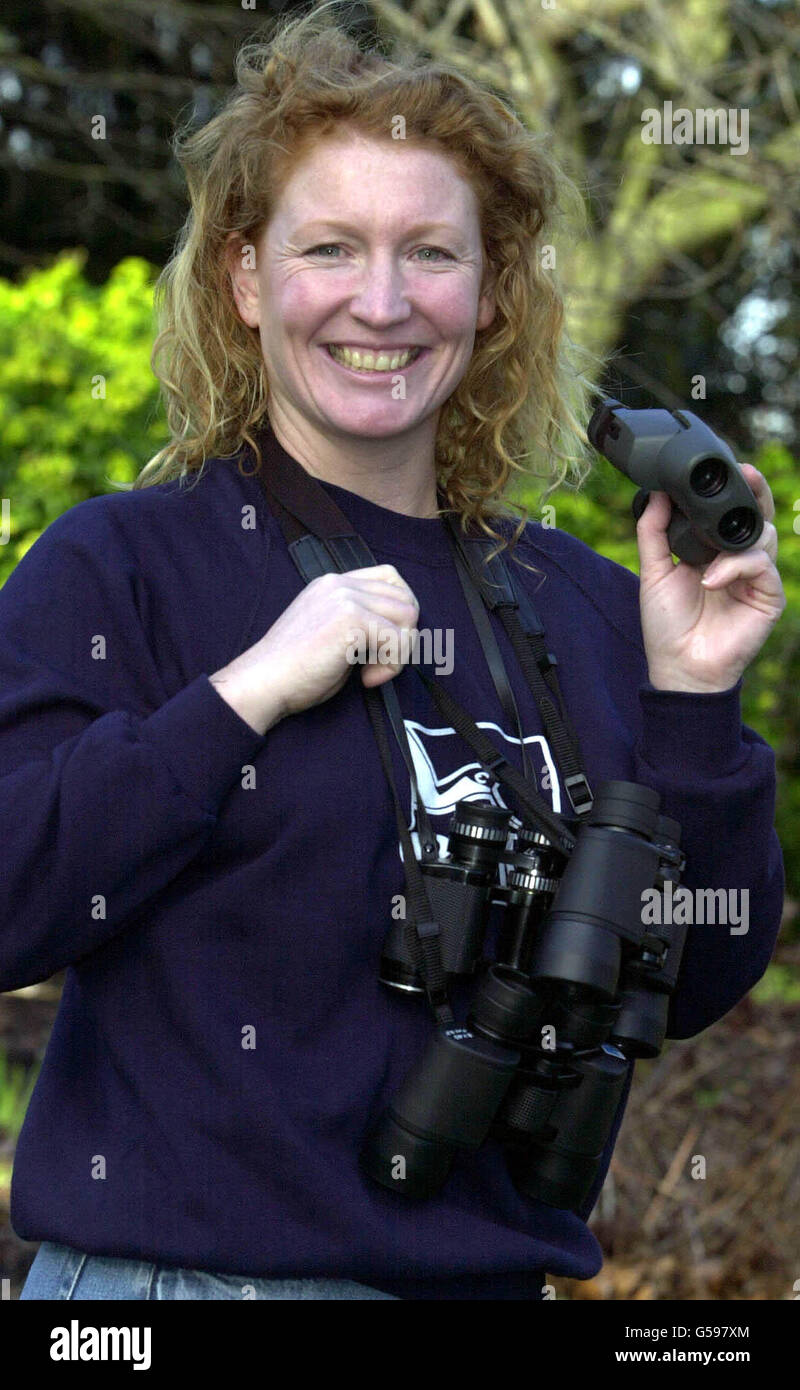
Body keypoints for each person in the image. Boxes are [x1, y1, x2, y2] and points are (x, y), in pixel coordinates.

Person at [8, 6, 785, 1301]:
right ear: (248, 281)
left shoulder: (584, 605)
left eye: (431, 252)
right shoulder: (125, 568)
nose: (382, 301)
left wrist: (698, 699)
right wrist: (246, 694)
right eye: (330, 247)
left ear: (489, 297)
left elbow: (694, 972)